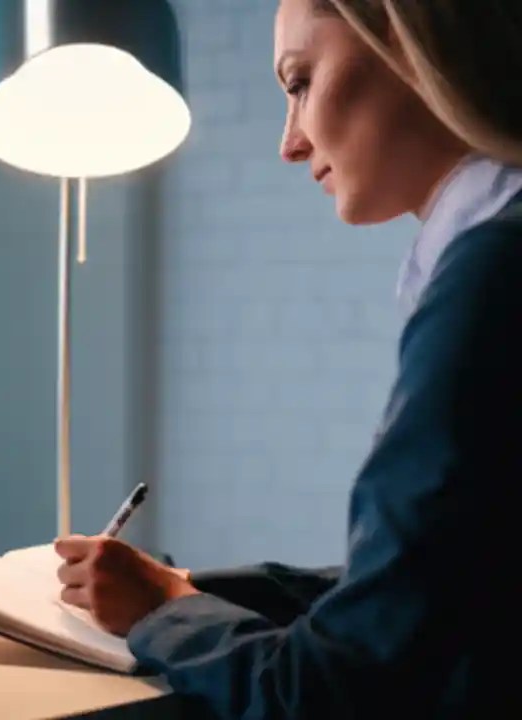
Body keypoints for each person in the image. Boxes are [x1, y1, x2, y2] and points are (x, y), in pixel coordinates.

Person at [52, 1, 522, 717]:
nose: (290, 144)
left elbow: (327, 693)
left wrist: (163, 613)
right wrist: (187, 590)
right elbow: (442, 585)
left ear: (408, 44)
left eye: (300, 82)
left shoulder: (492, 280)